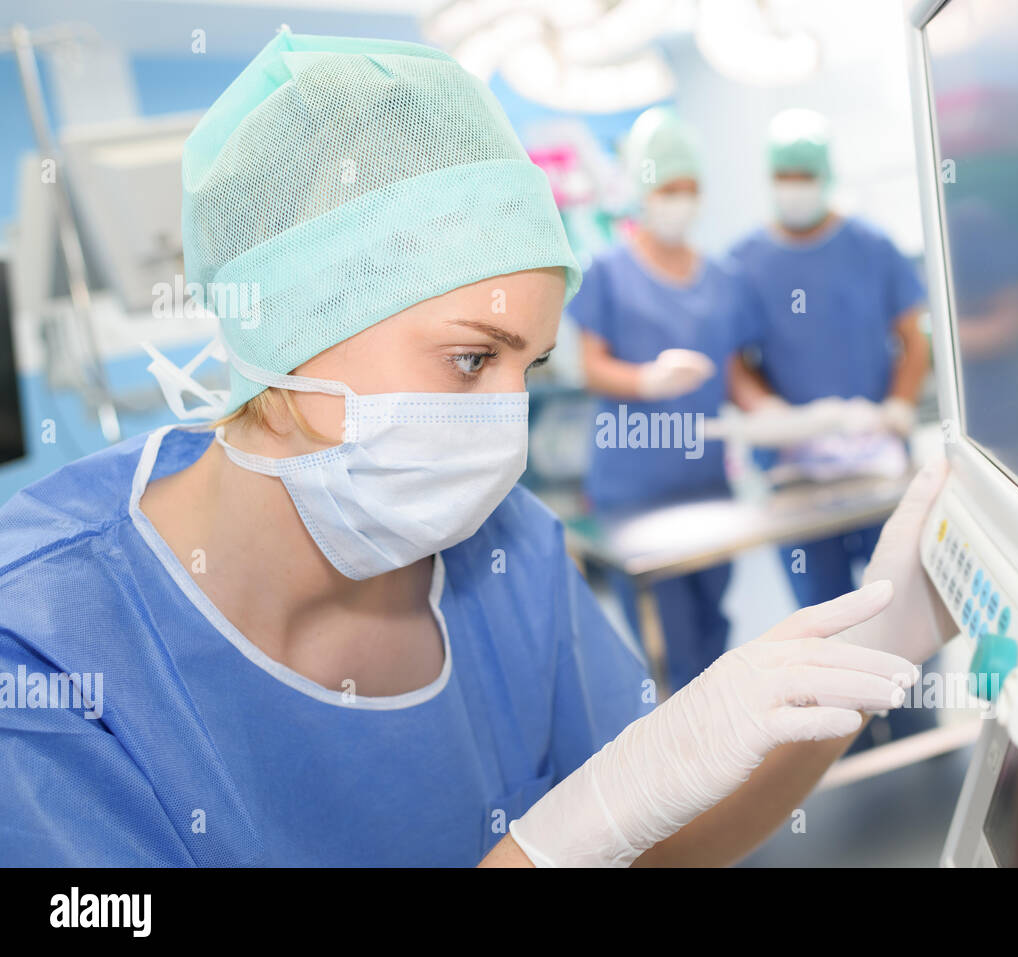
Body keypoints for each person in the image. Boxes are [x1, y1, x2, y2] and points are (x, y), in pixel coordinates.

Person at [0, 32, 948, 867]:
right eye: (469, 358)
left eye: (528, 367)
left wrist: (887, 638)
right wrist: (550, 844)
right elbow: (584, 839)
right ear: (287, 327)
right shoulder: (45, 650)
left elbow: (652, 849)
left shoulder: (511, 553)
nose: (507, 422)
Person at [568, 107, 756, 692]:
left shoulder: (722, 277)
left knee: (714, 626)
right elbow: (590, 366)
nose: (681, 200)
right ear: (644, 190)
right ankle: (687, 768)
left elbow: (732, 375)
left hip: (706, 481)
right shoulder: (607, 271)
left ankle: (726, 760)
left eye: (690, 189)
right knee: (669, 645)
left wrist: (780, 418)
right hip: (635, 487)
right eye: (669, 188)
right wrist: (648, 381)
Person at [729, 108, 931, 612]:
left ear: (825, 177)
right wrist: (771, 412)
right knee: (823, 616)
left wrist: (900, 407)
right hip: (794, 470)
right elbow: (734, 360)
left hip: (878, 458)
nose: (794, 187)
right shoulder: (745, 261)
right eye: (784, 177)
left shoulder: (871, 247)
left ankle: (914, 696)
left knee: (900, 603)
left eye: (805, 177)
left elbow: (915, 336)